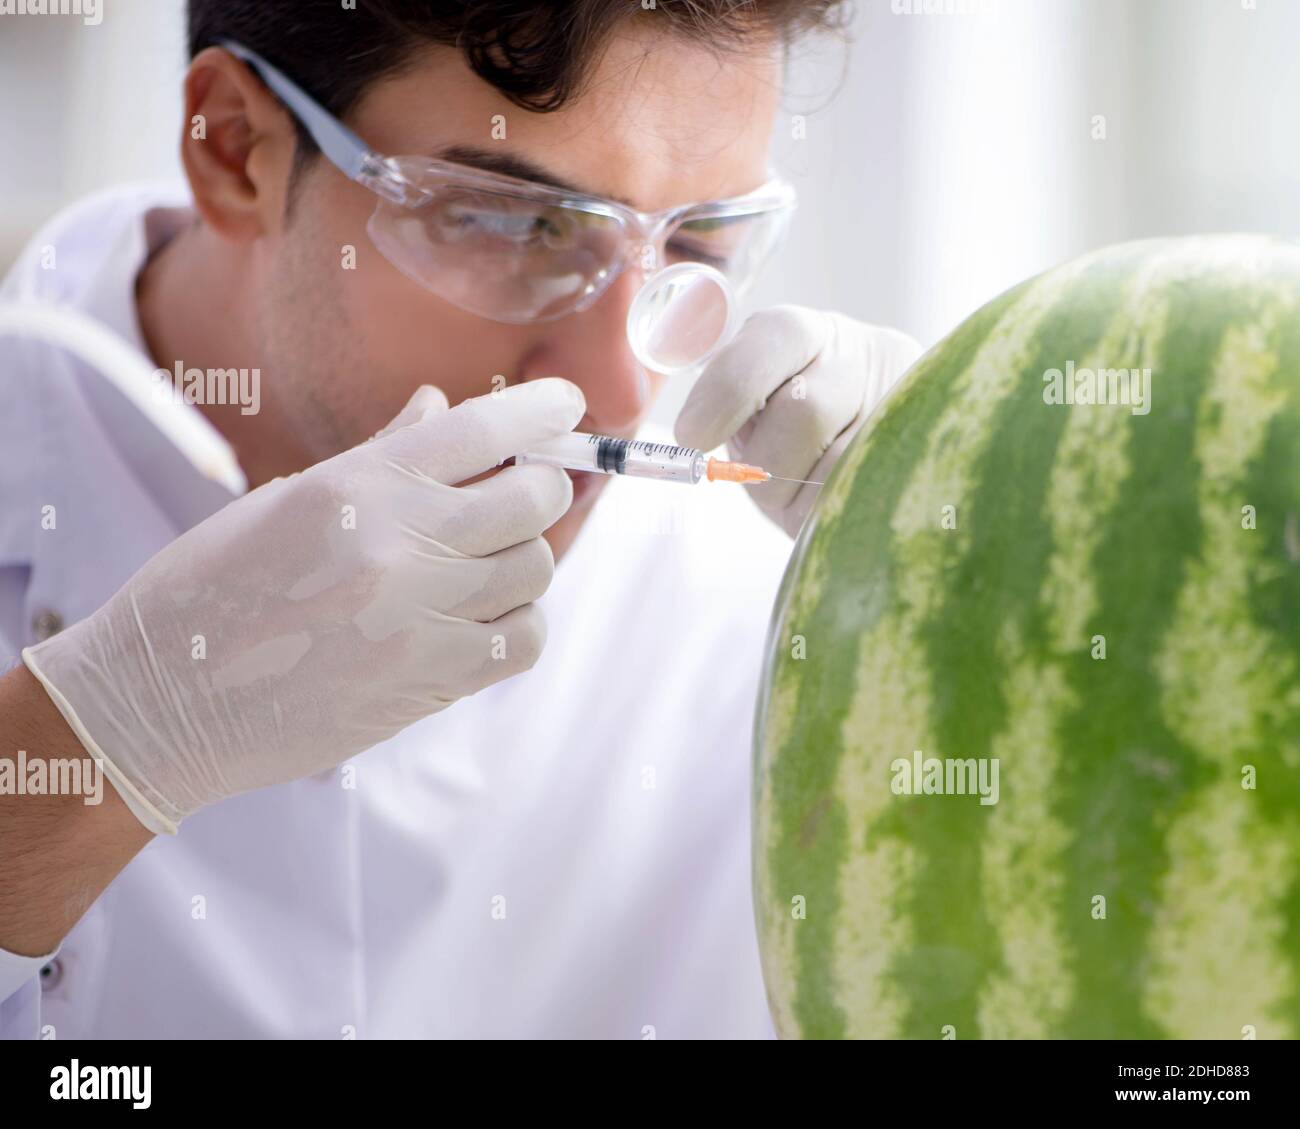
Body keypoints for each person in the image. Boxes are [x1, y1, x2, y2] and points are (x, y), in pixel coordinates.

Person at [0, 0, 921, 1038]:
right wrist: (85, 752)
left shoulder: (754, 595)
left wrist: (977, 562)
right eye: (516, 224)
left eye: (700, 240)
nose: (620, 386)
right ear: (234, 146)